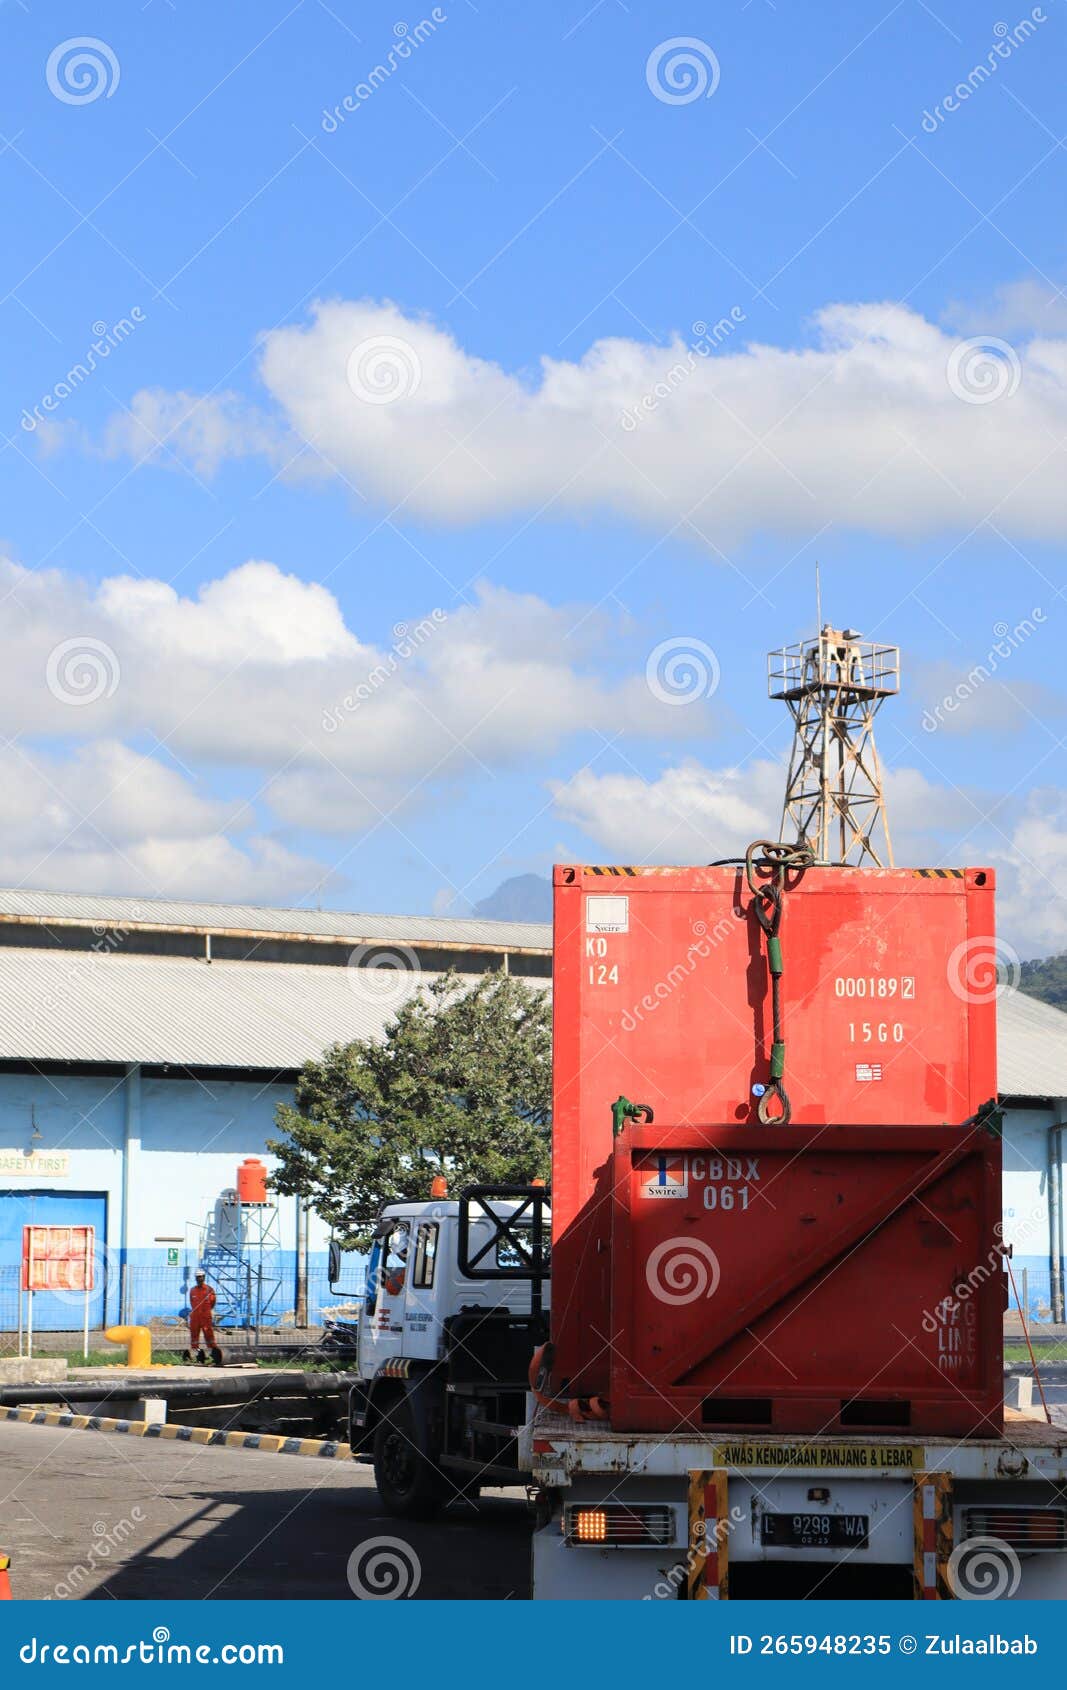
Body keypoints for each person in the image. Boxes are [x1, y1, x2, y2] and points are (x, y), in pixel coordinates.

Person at [187, 1270, 221, 1366]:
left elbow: (213, 1302)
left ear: (204, 1277)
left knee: (209, 1336)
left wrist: (206, 1312)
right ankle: (195, 1355)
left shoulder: (209, 1290)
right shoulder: (192, 1290)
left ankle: (213, 1355)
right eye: (198, 1277)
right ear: (196, 1278)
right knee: (194, 1337)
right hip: (195, 1317)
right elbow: (191, 1302)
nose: (200, 1278)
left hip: (205, 1317)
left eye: (201, 1276)